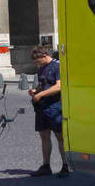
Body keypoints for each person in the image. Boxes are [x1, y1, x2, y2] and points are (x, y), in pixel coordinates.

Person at [29, 45, 68, 177]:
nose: (36, 63)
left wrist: (40, 95)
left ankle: (65, 166)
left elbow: (59, 86)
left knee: (60, 137)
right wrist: (35, 91)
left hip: (55, 106)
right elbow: (43, 85)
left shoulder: (57, 66)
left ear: (44, 56)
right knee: (44, 136)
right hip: (42, 107)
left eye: (37, 60)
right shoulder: (42, 68)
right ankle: (46, 166)